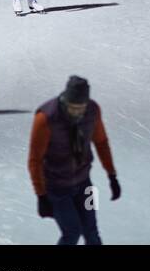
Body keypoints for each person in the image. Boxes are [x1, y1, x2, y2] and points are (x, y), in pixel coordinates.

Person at [27, 75, 119, 245]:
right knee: (72, 232)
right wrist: (41, 195)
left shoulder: (93, 110)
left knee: (91, 231)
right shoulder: (46, 118)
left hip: (85, 184)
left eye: (81, 108)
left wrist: (112, 176)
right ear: (65, 101)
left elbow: (101, 142)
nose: (77, 112)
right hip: (57, 187)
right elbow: (35, 160)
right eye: (72, 108)